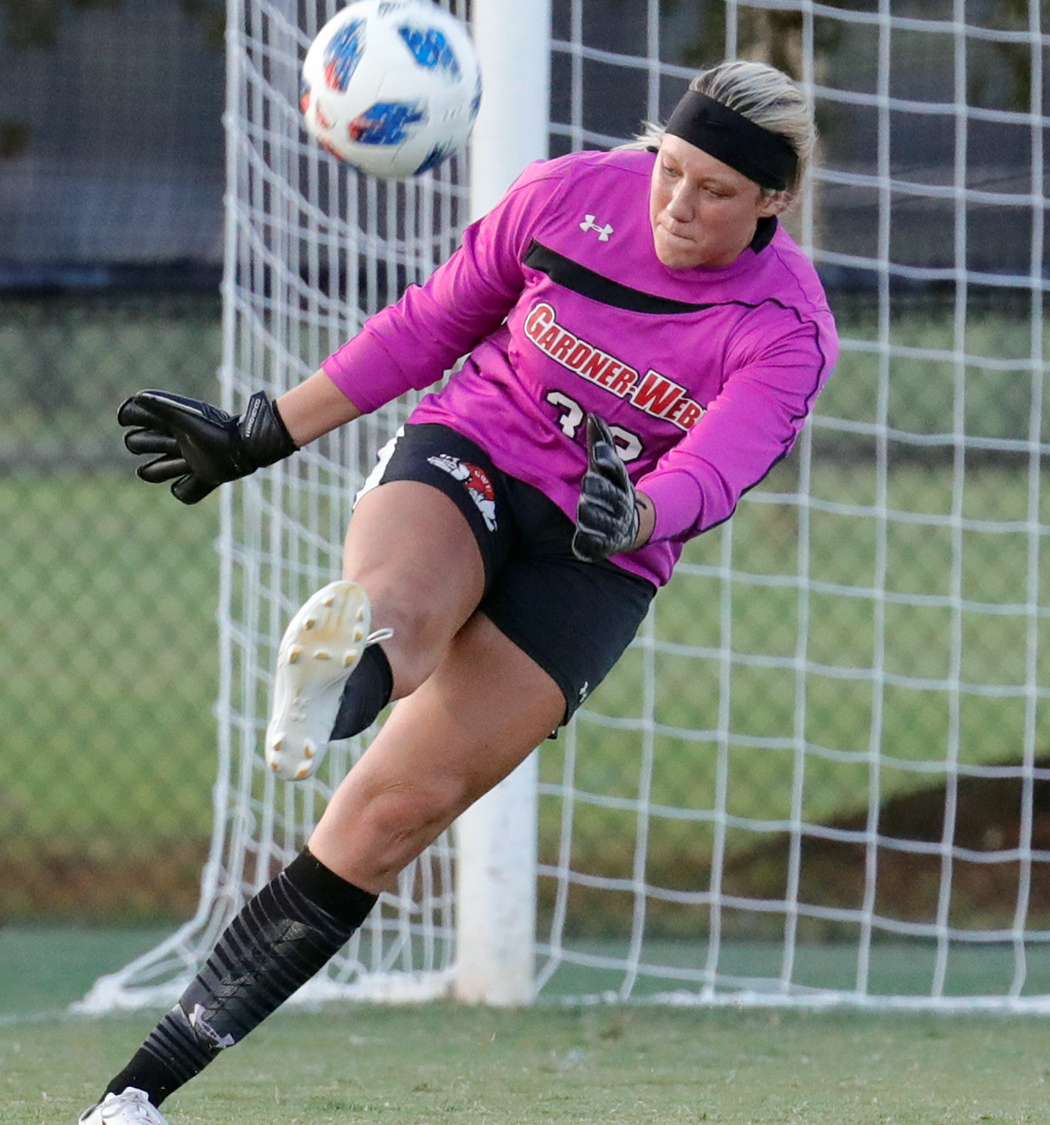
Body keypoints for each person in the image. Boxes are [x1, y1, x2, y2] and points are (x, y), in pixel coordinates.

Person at [81, 59, 838, 1125]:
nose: (676, 201)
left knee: (393, 816)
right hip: (473, 450)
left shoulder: (785, 325)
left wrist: (640, 514)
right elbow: (429, 324)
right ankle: (344, 668)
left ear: (773, 200)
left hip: (598, 558)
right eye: (669, 167)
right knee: (402, 604)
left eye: (713, 190)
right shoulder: (567, 196)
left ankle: (138, 1096)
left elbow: (717, 468)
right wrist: (262, 431)